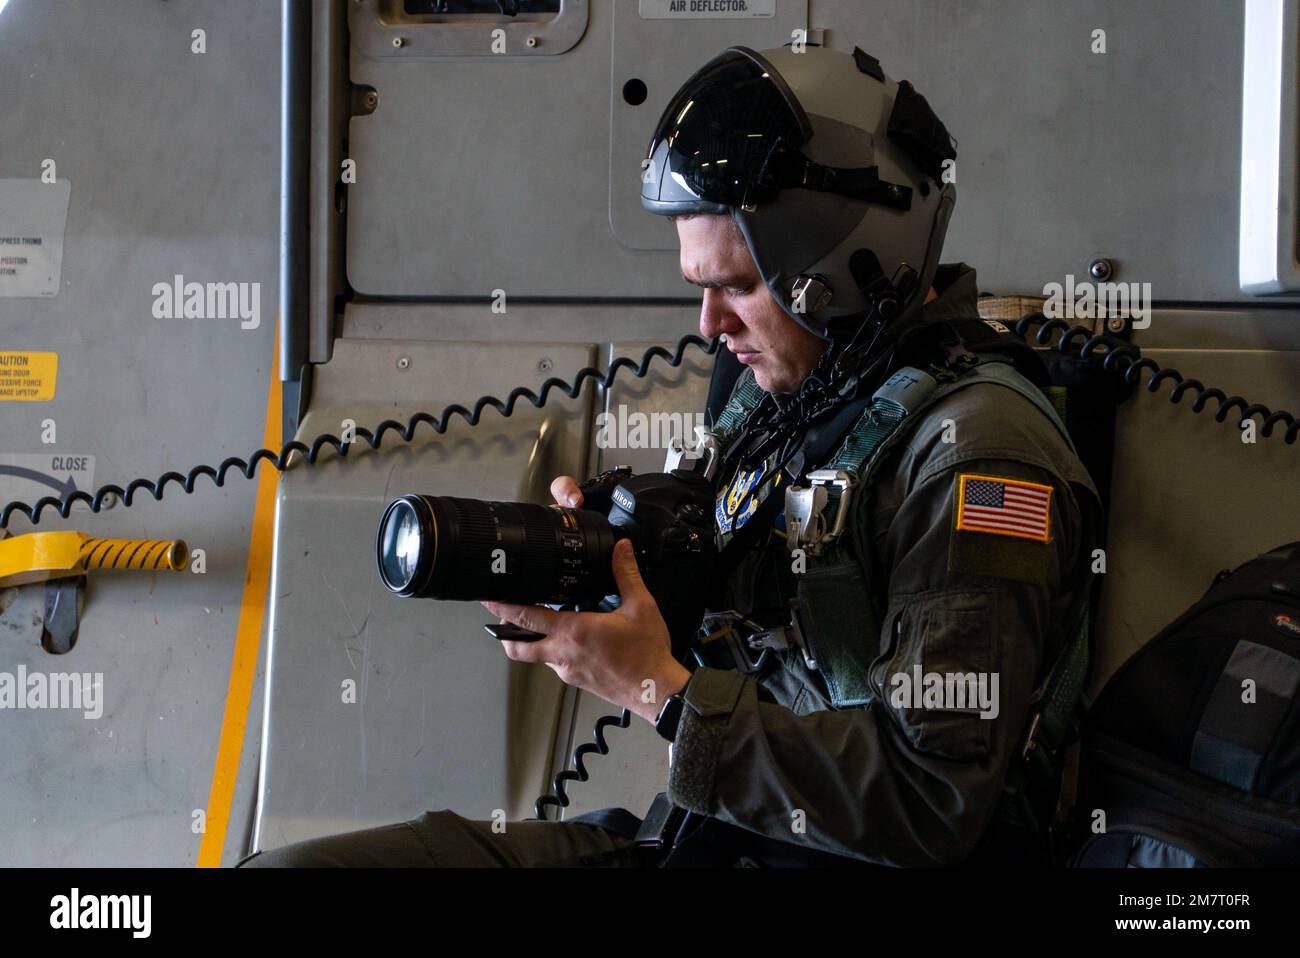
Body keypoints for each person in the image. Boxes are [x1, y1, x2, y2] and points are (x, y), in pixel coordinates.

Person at [240, 43, 1102, 868]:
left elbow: (932, 796)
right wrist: (608, 566)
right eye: (701, 287)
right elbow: (737, 588)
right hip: (705, 840)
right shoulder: (781, 394)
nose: (710, 329)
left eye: (736, 286)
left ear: (844, 271)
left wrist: (656, 688)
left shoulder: (978, 455)